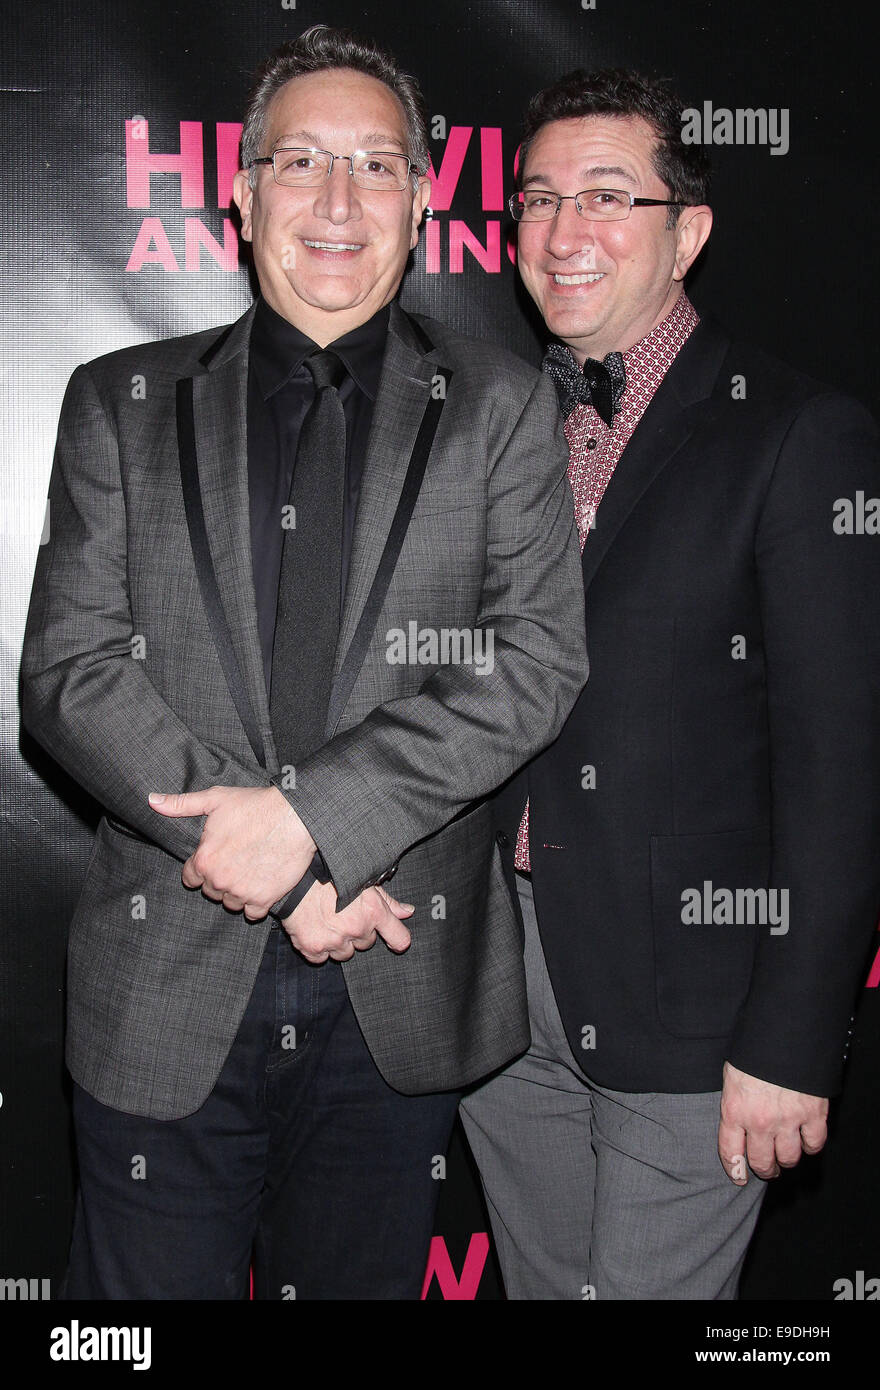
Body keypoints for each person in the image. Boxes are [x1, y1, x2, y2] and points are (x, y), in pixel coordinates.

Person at [20, 26, 587, 1300]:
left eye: (377, 166)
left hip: (400, 986)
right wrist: (283, 872)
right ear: (240, 185)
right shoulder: (118, 400)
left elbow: (533, 661)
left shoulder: (501, 408)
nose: (338, 203)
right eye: (302, 163)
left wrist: (314, 825)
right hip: (161, 989)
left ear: (425, 198)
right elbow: (71, 670)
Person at [460, 66, 880, 1300]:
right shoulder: (494, 426)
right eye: (537, 199)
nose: (562, 232)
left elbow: (843, 766)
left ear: (687, 231)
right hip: (497, 981)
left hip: (695, 1005)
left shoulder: (800, 436)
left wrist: (793, 1041)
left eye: (608, 196)